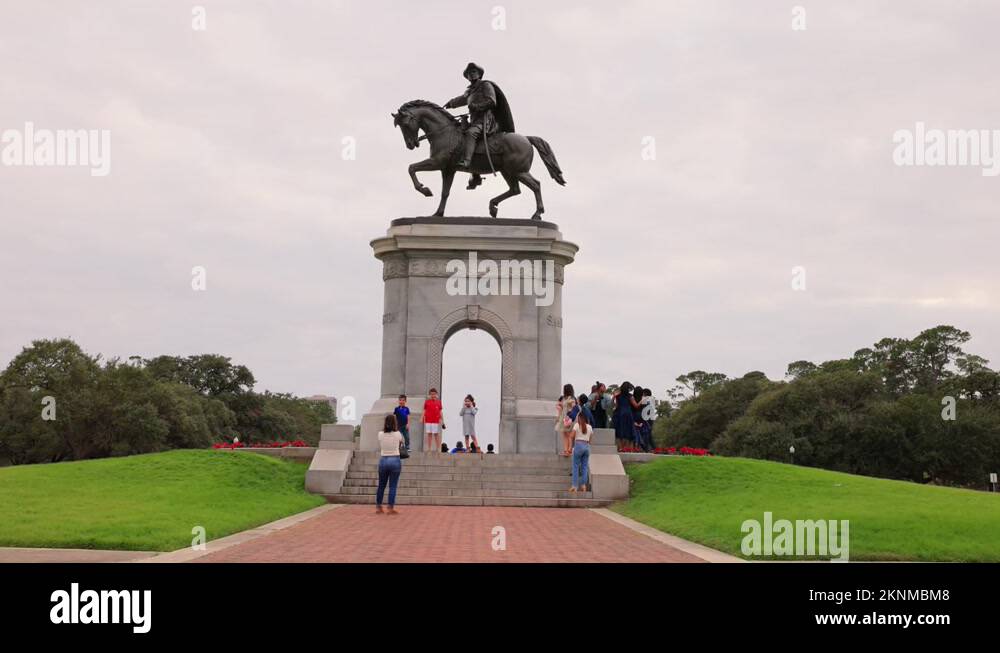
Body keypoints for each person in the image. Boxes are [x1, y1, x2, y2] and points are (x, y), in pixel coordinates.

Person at [376, 415, 404, 515]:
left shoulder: (380, 434)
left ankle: (379, 507)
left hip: (383, 459)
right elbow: (402, 442)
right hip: (395, 459)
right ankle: (390, 508)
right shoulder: (398, 434)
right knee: (393, 486)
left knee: (381, 486)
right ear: (395, 422)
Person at [570, 411, 592, 492]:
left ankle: (575, 486)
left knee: (575, 467)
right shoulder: (589, 427)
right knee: (584, 467)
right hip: (586, 446)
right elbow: (590, 440)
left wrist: (570, 447)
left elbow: (571, 436)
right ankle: (583, 485)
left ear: (579, 418)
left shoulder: (577, 425)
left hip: (578, 445)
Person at [554, 383, 578, 457]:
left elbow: (574, 408)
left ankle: (569, 450)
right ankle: (566, 450)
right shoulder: (566, 398)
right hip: (565, 418)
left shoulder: (571, 399)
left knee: (568, 435)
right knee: (565, 435)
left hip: (568, 418)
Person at [423, 388, 443, 454]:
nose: (433, 395)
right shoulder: (427, 402)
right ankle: (429, 449)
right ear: (429, 395)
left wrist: (442, 420)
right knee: (429, 434)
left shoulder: (438, 402)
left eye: (434, 394)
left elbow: (440, 411)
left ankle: (438, 448)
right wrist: (422, 417)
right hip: (428, 420)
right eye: (431, 394)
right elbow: (424, 410)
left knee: (436, 434)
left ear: (436, 394)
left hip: (435, 420)